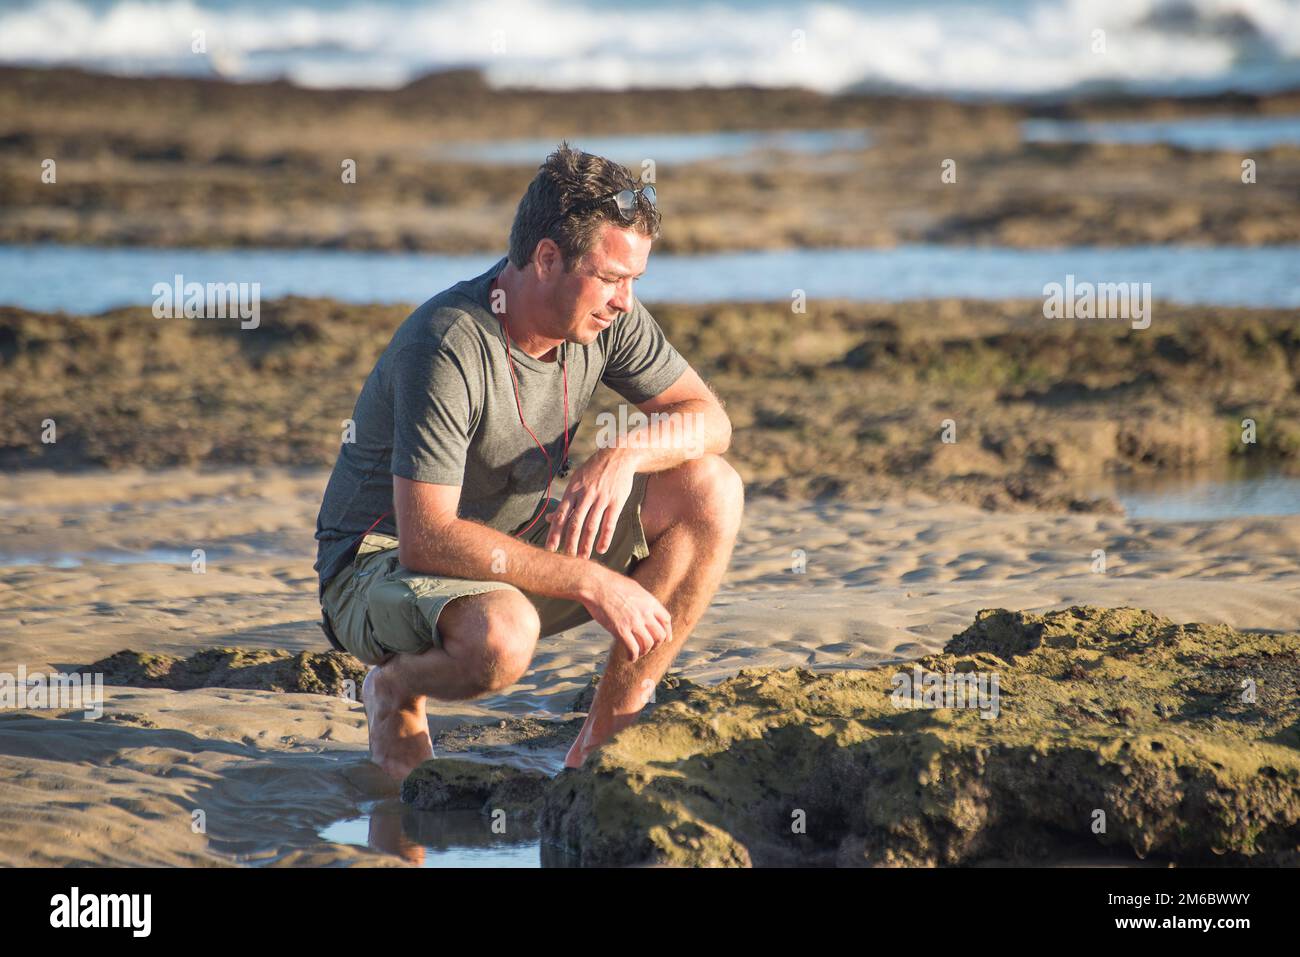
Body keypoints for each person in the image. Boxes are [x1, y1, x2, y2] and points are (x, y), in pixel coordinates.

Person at [314, 142, 743, 779]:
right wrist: (591, 581)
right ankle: (394, 689)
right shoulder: (448, 344)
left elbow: (711, 420)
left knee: (711, 490)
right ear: (546, 258)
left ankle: (600, 752)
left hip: (507, 541)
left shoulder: (608, 318)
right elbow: (426, 540)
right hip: (378, 563)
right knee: (502, 636)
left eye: (634, 281)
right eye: (611, 277)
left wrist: (624, 453)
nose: (624, 300)